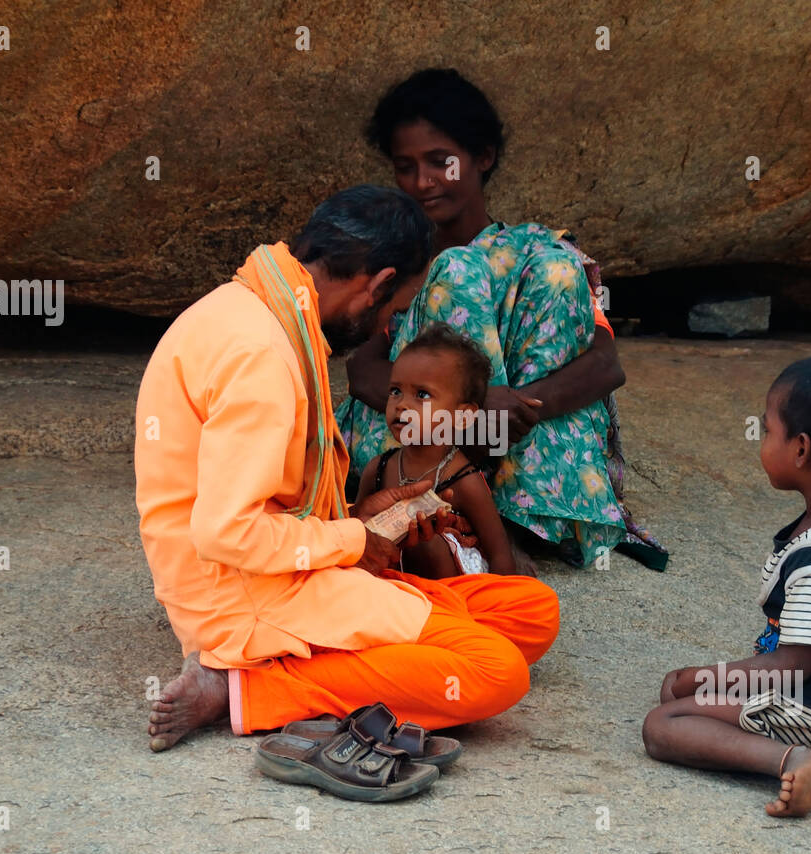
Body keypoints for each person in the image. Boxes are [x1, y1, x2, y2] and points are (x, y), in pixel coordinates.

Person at [135, 185, 559, 757]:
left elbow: (274, 507)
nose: (387, 323)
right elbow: (226, 532)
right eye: (394, 308)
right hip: (250, 603)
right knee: (496, 670)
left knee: (531, 612)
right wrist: (353, 539)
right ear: (378, 284)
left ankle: (390, 652)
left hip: (291, 573)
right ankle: (243, 687)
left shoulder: (259, 314)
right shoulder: (259, 353)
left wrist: (364, 522)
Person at [335, 68, 667, 572]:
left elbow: (605, 366)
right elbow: (362, 370)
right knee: (458, 267)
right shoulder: (403, 266)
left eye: (439, 162)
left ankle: (492, 506)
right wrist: (458, 408)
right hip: (416, 443)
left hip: (507, 433)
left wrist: (505, 410)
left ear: (483, 157)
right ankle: (480, 511)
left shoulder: (538, 252)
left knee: (559, 267)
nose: (422, 182)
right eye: (405, 167)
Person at [642, 356, 811, 818]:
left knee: (665, 722)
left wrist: (707, 677)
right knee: (677, 694)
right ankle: (807, 758)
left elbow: (793, 665)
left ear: (801, 450)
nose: (761, 440)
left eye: (767, 430)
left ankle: (798, 760)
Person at [357, 324, 517, 578]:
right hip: (392, 588)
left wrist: (501, 610)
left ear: (463, 416)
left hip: (452, 593)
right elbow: (354, 531)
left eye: (422, 394)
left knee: (426, 540)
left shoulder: (465, 482)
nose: (402, 405)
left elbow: (500, 555)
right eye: (395, 391)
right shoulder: (378, 469)